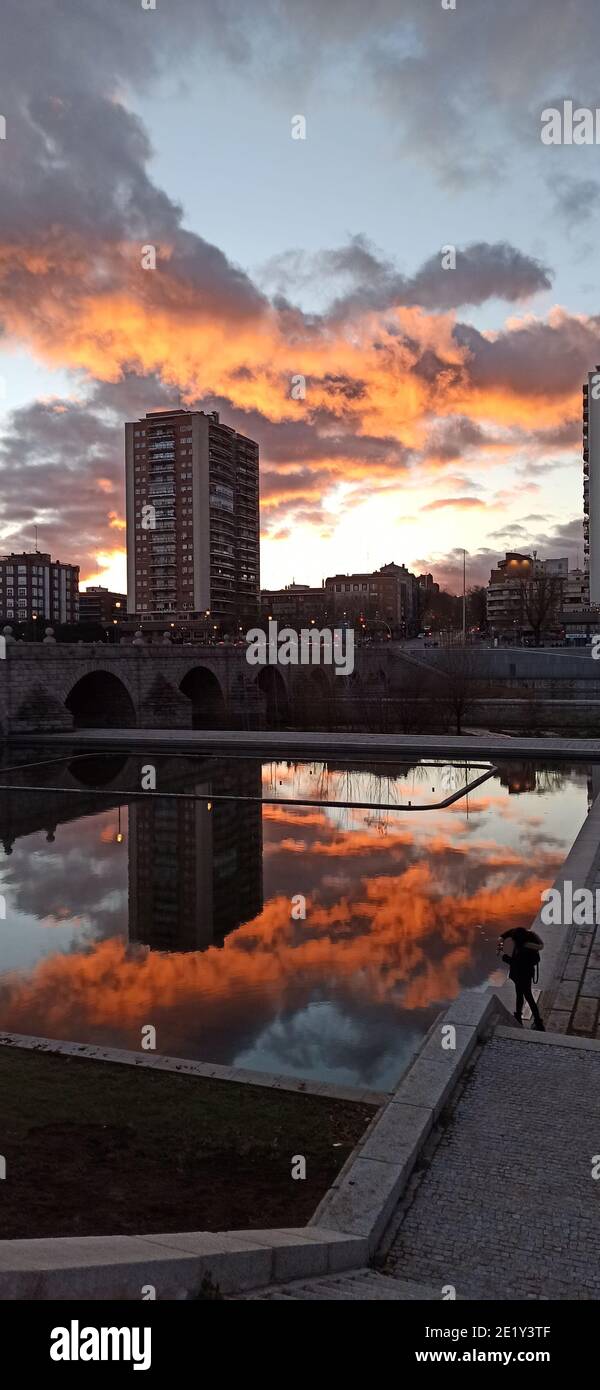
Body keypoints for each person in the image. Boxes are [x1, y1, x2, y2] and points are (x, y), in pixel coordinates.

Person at [498, 927, 545, 1030]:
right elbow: (509, 932)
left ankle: (538, 1022)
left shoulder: (525, 951)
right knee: (520, 994)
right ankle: (520, 1016)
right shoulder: (529, 938)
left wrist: (502, 955)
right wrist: (501, 940)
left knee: (527, 997)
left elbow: (515, 962)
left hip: (521, 975)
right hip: (526, 974)